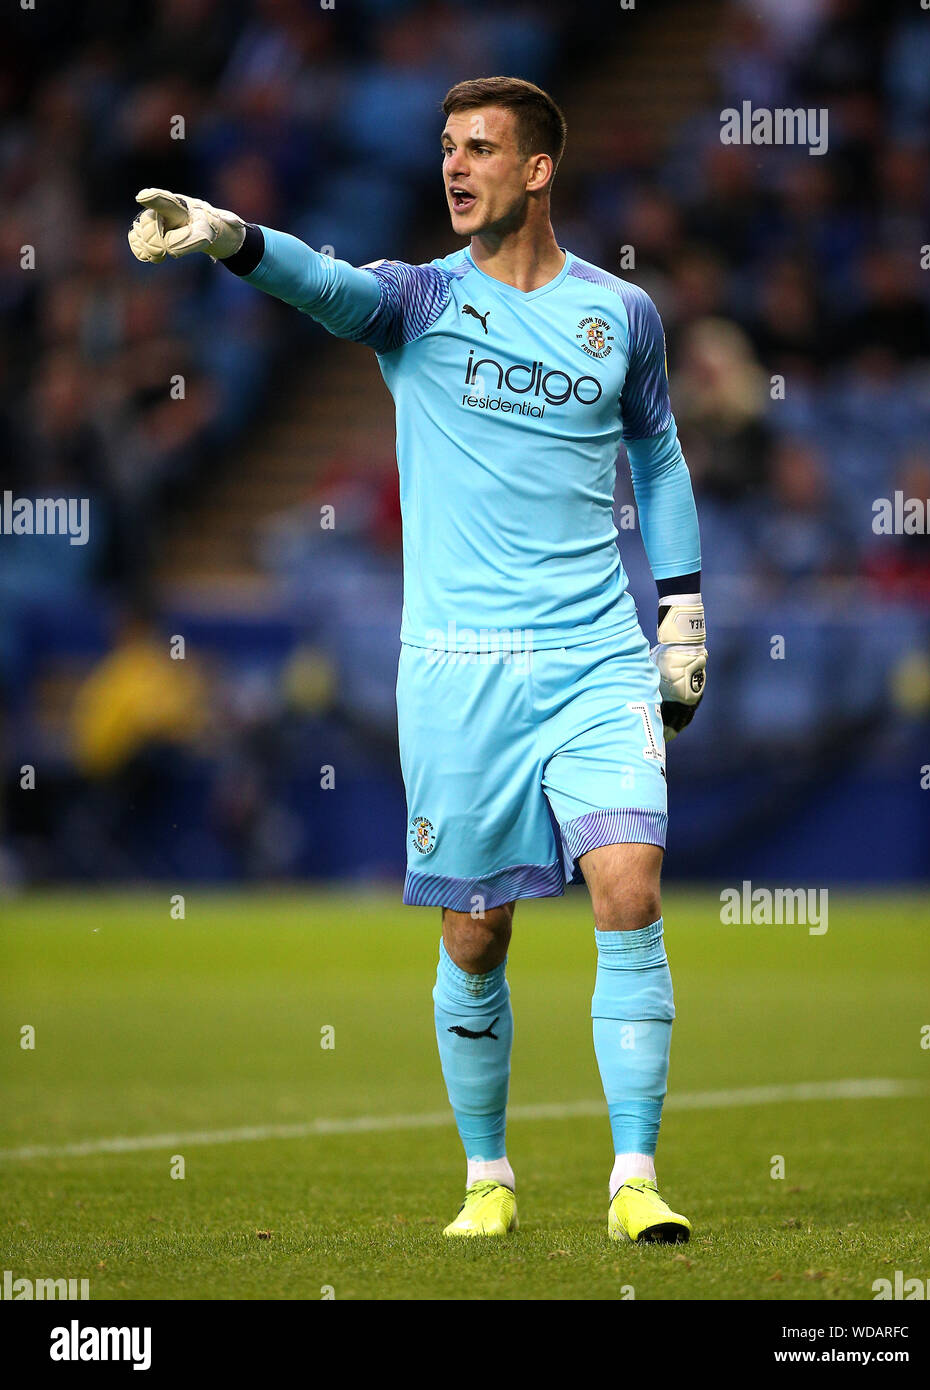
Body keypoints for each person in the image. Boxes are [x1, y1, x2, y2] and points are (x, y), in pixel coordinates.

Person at [128, 76, 707, 1243]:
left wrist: (681, 611)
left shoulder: (621, 316)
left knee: (628, 885)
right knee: (474, 933)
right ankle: (487, 1174)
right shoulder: (418, 302)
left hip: (594, 655)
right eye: (446, 147)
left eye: (479, 149)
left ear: (536, 169)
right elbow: (324, 282)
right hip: (456, 666)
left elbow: (658, 455)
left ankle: (632, 1174)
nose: (453, 167)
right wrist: (234, 239)